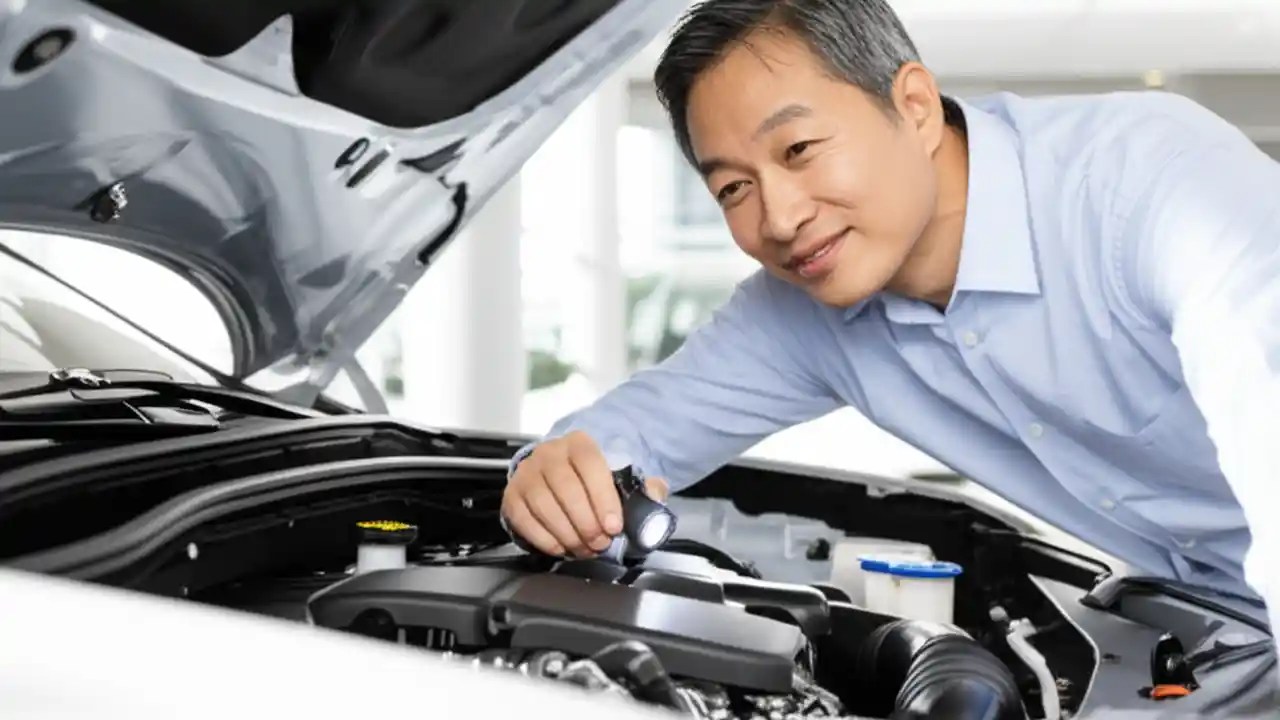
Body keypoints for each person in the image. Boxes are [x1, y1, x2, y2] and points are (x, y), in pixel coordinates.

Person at [501, 0, 1279, 638]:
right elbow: (621, 440)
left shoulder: (1149, 185)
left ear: (912, 105)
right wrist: (553, 477)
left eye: (799, 148)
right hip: (1213, 628)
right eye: (732, 189)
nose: (779, 216)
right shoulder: (803, 308)